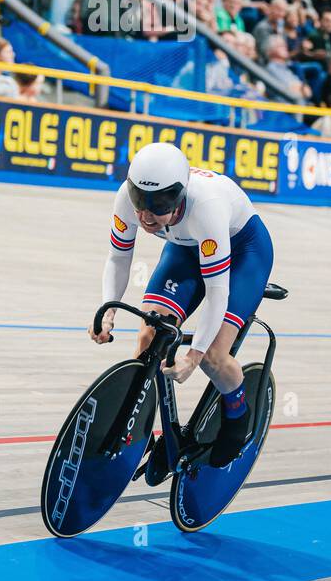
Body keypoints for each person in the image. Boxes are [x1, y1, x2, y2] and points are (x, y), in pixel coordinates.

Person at [91, 142, 275, 471]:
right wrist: (108, 310)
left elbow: (217, 291)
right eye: (139, 202)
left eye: (158, 204)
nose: (146, 216)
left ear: (179, 196)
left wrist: (195, 354)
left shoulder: (207, 206)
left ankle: (238, 418)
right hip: (185, 248)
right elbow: (118, 258)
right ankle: (142, 426)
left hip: (244, 253)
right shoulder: (125, 198)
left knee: (214, 358)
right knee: (149, 338)